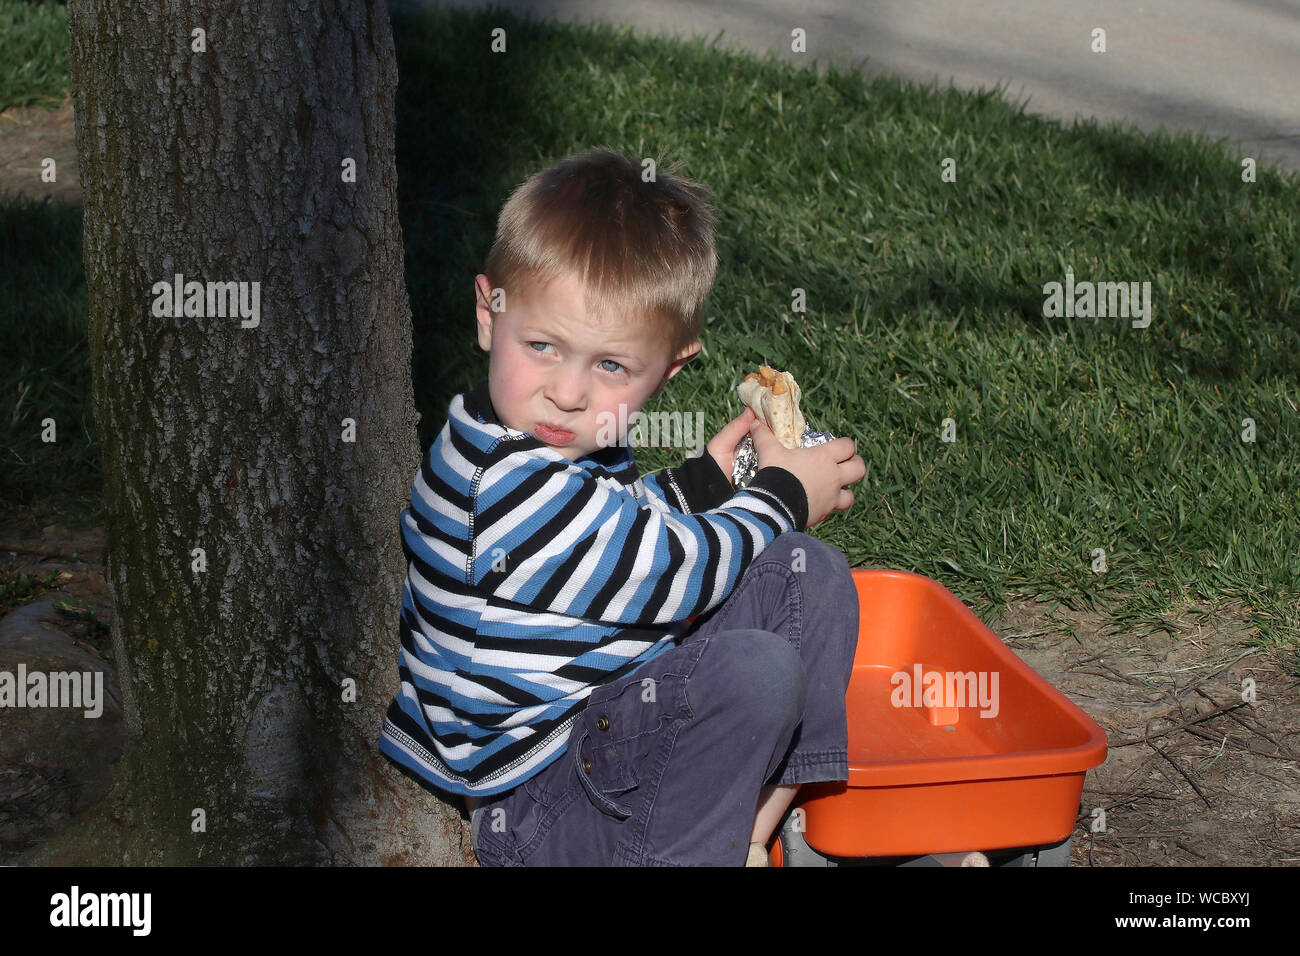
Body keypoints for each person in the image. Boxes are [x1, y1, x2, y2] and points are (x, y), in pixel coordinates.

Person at [377, 146, 866, 865]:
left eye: (610, 366)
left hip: (608, 738)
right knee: (752, 668)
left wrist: (705, 485)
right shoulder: (498, 480)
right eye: (542, 346)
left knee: (805, 569)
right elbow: (676, 572)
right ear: (490, 314)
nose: (569, 392)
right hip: (540, 799)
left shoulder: (545, 443)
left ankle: (753, 834)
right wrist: (782, 494)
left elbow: (615, 528)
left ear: (668, 371)